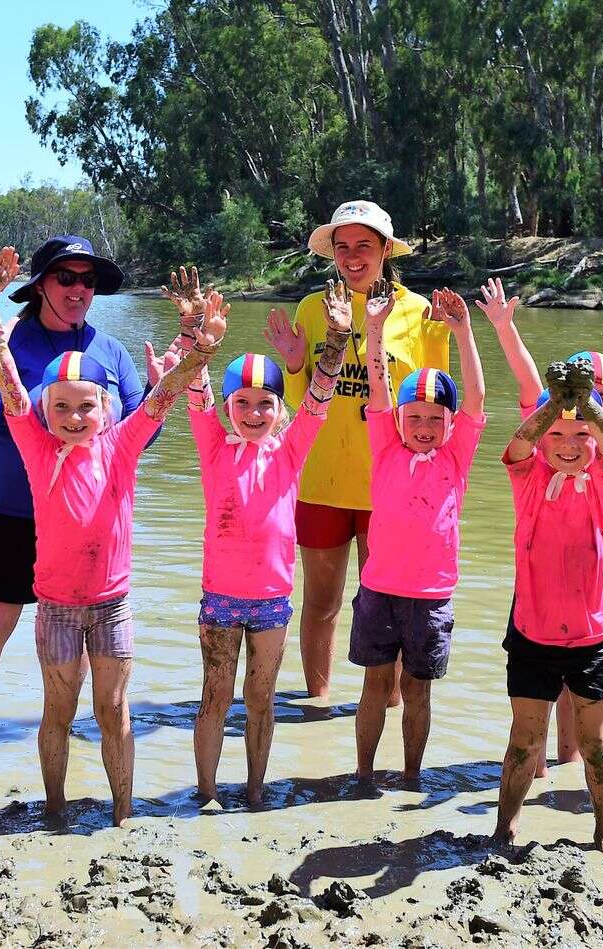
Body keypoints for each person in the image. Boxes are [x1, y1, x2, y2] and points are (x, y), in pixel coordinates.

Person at [0, 271, 227, 826]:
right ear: (44, 410)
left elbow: (165, 394)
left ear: (108, 409)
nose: (74, 418)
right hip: (56, 607)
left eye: (86, 407)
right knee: (57, 711)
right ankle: (55, 810)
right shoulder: (35, 446)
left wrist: (201, 348)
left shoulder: (122, 445)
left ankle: (123, 815)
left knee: (113, 709)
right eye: (61, 407)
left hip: (112, 607)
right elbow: (10, 388)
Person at [0, 236, 151, 742]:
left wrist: (159, 384)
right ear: (40, 285)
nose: (78, 289)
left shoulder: (110, 351)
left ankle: (62, 736)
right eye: (65, 277)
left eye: (88, 279)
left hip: (87, 522)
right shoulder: (10, 339)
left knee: (77, 633)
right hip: (13, 510)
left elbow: (140, 435)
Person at [480, 279, 603, 776]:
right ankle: (536, 770)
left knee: (581, 690)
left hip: (589, 584)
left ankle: (569, 763)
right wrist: (504, 328)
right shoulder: (551, 427)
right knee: (536, 688)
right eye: (590, 394)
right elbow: (528, 379)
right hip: (539, 580)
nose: (598, 403)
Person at [263, 201, 450, 700]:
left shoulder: (420, 313)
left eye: (364, 245)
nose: (352, 256)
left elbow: (435, 408)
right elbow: (301, 404)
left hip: (388, 489)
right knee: (320, 603)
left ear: (386, 250)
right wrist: (295, 364)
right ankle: (317, 706)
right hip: (320, 481)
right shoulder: (313, 308)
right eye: (342, 246)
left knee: (387, 605)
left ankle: (385, 707)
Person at [186, 280, 351, 807]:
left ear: (281, 409)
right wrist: (196, 335)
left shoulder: (290, 450)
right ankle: (207, 792)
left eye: (265, 403)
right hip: (220, 598)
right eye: (242, 402)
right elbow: (195, 391)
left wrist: (337, 339)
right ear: (228, 406)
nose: (254, 412)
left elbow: (320, 396)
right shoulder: (213, 444)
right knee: (214, 697)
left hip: (272, 601)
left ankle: (255, 790)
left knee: (261, 698)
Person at [351, 282, 486, 788]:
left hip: (431, 596)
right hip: (379, 589)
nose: (424, 426)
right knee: (375, 684)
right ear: (399, 419)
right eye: (415, 417)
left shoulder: (456, 455)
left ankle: (411, 775)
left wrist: (464, 331)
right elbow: (378, 385)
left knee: (418, 690)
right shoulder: (386, 445)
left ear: (450, 424)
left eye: (435, 418)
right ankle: (364, 774)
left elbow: (477, 398)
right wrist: (374, 326)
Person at [494, 360, 603, 861]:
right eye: (557, 434)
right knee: (524, 742)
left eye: (580, 435)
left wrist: (587, 405)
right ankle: (504, 829)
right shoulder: (529, 475)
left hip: (593, 637)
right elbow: (518, 445)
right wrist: (552, 406)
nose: (568, 444)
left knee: (596, 743)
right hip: (534, 633)